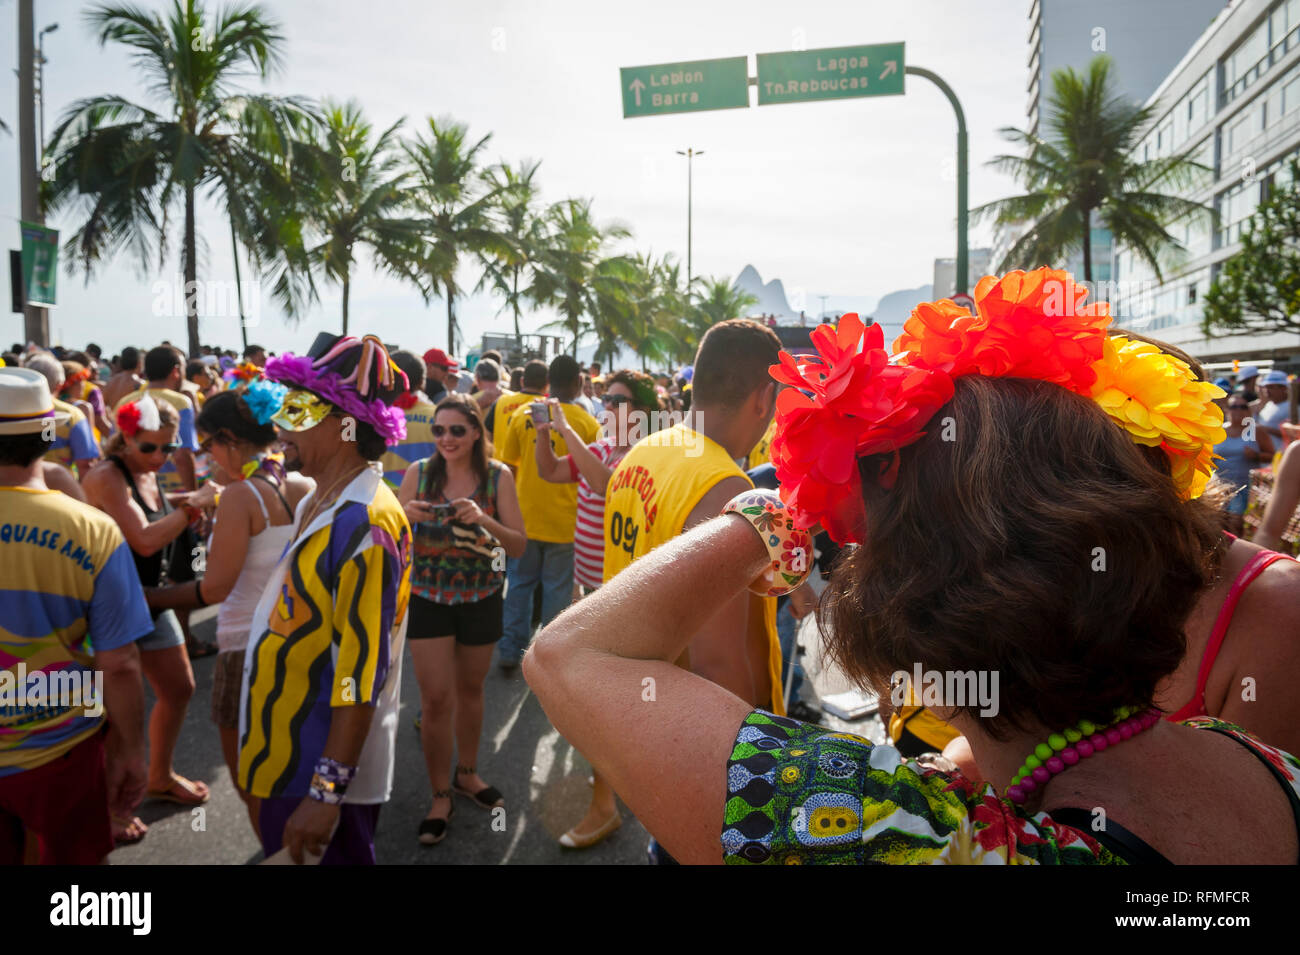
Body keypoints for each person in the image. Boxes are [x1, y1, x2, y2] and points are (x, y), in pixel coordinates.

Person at [526, 271, 1300, 864]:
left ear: (918, 596)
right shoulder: (1261, 762)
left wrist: (783, 503)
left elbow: (572, 654)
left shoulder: (922, 834)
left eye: (873, 541)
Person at [239, 334, 411, 865]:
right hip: (283, 753)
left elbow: (360, 676)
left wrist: (325, 794)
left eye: (297, 410)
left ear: (344, 424)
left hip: (313, 765)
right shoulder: (320, 498)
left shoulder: (364, 524)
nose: (280, 428)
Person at [142, 383, 313, 836]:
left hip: (245, 649)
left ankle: (278, 852)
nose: (208, 457)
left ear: (230, 440)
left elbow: (215, 589)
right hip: (299, 641)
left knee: (251, 780)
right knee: (294, 764)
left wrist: (148, 597)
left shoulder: (243, 497)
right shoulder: (302, 484)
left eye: (210, 446)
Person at [0, 368, 152, 864]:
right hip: (62, 748)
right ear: (49, 435)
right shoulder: (93, 530)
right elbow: (122, 663)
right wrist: (131, 748)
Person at [82, 396, 217, 844]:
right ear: (124, 439)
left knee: (179, 688)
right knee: (112, 713)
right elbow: (141, 539)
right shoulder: (106, 475)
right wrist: (191, 508)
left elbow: (154, 519)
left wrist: (182, 505)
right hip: (110, 605)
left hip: (148, 600)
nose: (159, 457)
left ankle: (158, 776)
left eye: (167, 447)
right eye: (149, 448)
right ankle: (108, 806)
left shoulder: (145, 472)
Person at [531, 369, 656, 847]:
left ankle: (605, 806)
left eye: (619, 400)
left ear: (642, 411)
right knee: (609, 699)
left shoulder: (645, 453)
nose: (608, 406)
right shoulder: (601, 447)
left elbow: (606, 486)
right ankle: (616, 784)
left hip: (620, 591)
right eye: (606, 397)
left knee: (602, 700)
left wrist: (565, 429)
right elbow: (550, 471)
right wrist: (545, 434)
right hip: (594, 586)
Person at [397, 394, 526, 845]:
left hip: (482, 597)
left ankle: (467, 774)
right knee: (434, 700)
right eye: (438, 430)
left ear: (475, 431)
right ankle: (439, 795)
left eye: (456, 430)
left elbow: (518, 545)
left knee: (471, 690)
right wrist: (403, 517)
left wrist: (484, 520)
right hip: (428, 597)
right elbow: (391, 538)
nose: (446, 439)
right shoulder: (418, 474)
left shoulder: (497, 477)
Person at [495, 355, 601, 669]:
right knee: (556, 593)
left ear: (548, 381)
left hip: (524, 519)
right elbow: (595, 473)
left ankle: (509, 650)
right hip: (566, 524)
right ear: (579, 382)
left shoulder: (524, 415)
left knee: (519, 586)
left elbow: (509, 468)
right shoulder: (586, 423)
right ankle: (547, 659)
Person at [113, 346, 201, 494]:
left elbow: (115, 451)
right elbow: (182, 455)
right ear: (176, 371)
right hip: (175, 489)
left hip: (135, 489)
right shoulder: (181, 402)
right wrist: (194, 497)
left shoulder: (125, 402)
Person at [24, 353, 99, 479]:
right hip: (63, 489)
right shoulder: (72, 414)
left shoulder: (10, 411)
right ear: (60, 383)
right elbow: (86, 464)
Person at [1215, 393, 1274, 536]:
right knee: (1219, 526)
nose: (1238, 410)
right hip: (1219, 488)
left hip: (1244, 488)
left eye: (1242, 407)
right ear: (1226, 410)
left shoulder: (1255, 430)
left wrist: (1256, 456)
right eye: (1233, 407)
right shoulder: (1217, 430)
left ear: (1249, 411)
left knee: (1236, 524)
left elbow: (1273, 456)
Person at [380, 350, 438, 492]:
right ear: (422, 382)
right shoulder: (439, 417)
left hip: (380, 504)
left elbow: (346, 438)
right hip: (424, 503)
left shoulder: (369, 417)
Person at [489, 359, 544, 443]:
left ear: (522, 381)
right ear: (547, 384)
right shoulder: (549, 407)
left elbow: (487, 434)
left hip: (499, 456)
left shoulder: (501, 401)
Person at [1257, 370, 1293, 446]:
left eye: (1271, 387)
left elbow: (1294, 434)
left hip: (1282, 453)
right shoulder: (1269, 405)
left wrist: (1264, 429)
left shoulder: (1291, 408)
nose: (1266, 390)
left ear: (1283, 388)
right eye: (1265, 387)